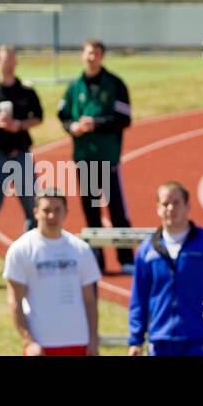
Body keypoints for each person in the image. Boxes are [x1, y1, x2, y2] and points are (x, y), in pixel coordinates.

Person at [127, 181, 203, 356]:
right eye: (165, 204)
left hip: (198, 339)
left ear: (187, 205)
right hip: (160, 340)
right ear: (158, 208)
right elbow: (140, 296)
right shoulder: (147, 249)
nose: (170, 208)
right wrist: (136, 339)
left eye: (176, 203)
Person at [58, 39, 134, 274]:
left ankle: (126, 260)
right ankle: (96, 261)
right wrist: (71, 127)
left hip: (107, 158)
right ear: (82, 55)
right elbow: (63, 114)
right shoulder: (74, 86)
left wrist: (95, 124)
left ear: (102, 57)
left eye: (97, 54)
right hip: (84, 159)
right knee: (91, 211)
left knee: (116, 210)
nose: (92, 58)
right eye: (89, 54)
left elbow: (125, 119)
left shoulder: (115, 84)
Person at [3, 190, 101, 355]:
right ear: (36, 212)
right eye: (46, 210)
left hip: (79, 342)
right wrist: (29, 341)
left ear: (66, 213)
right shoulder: (21, 250)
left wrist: (93, 339)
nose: (51, 216)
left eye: (57, 210)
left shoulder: (81, 250)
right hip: (41, 346)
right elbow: (14, 301)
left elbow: (90, 300)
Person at [0, 44, 42, 274]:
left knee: (31, 208)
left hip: (20, 154)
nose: (9, 64)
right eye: (4, 60)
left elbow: (38, 116)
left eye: (12, 60)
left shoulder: (26, 89)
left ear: (16, 63)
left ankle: (29, 257)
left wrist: (20, 125)